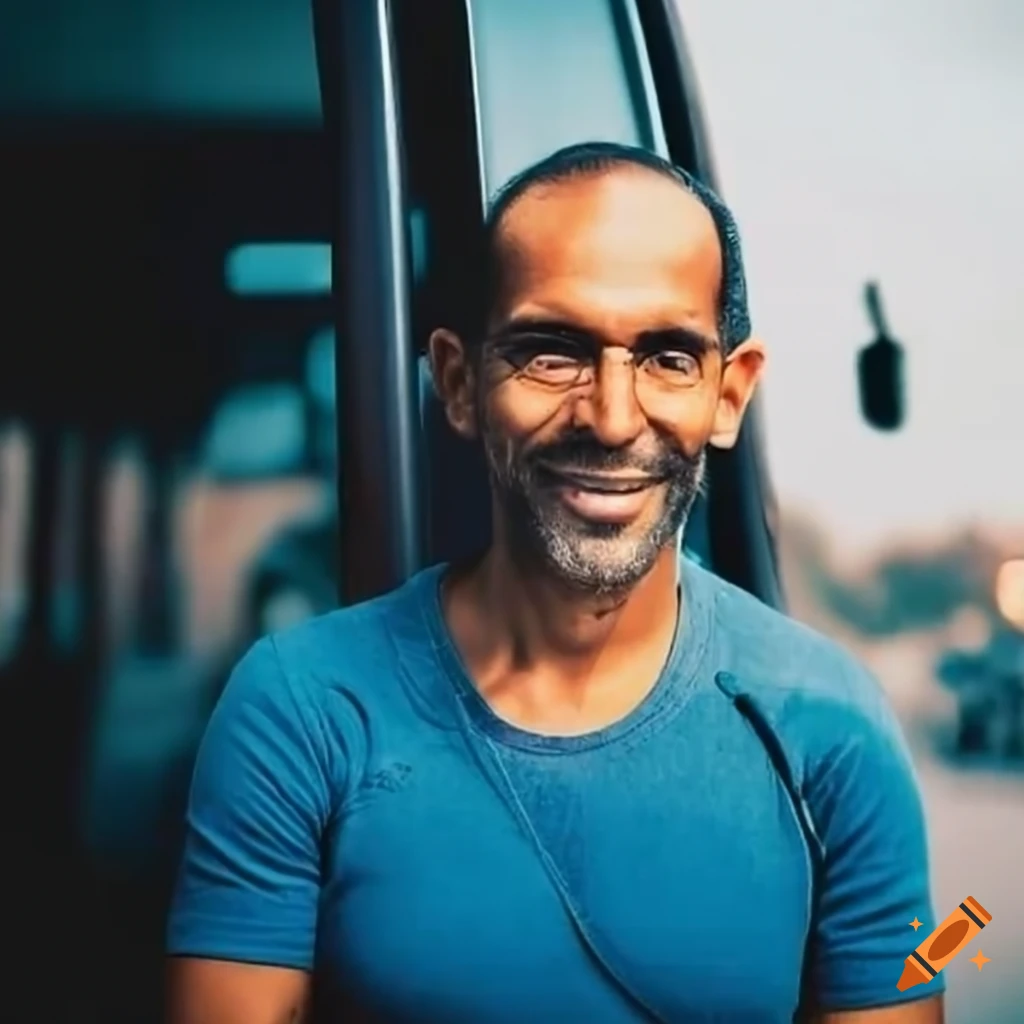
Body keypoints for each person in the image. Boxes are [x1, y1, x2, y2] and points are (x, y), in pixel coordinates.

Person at [167, 143, 944, 1023]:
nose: (612, 420)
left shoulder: (833, 730)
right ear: (460, 383)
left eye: (668, 358)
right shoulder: (301, 708)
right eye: (552, 353)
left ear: (729, 396)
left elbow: (918, 971)